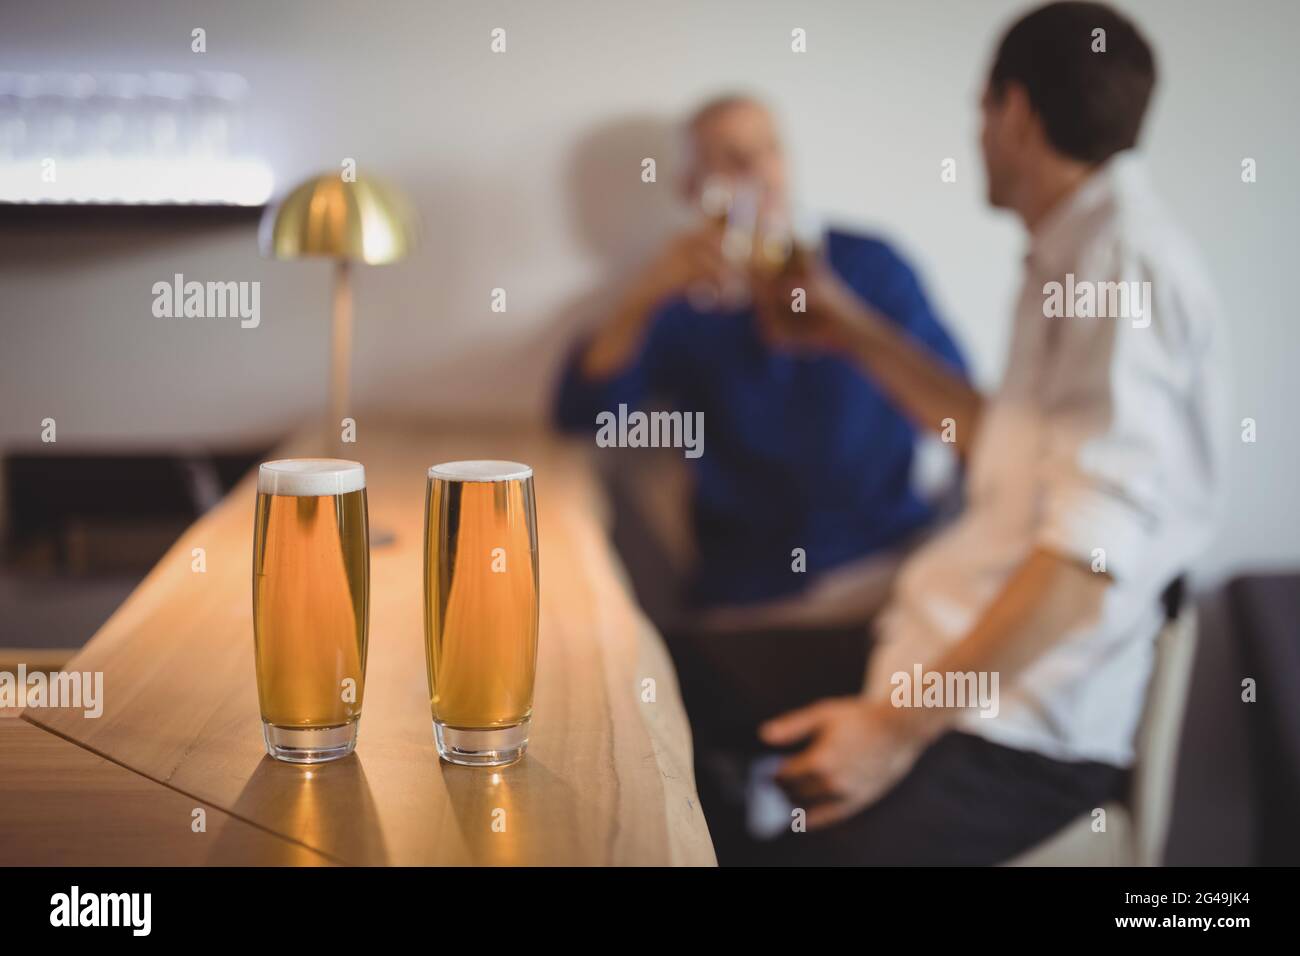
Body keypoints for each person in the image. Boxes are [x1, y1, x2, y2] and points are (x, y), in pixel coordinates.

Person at [741, 0, 1226, 865]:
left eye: (981, 109)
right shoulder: (1074, 250)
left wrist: (889, 730)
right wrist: (850, 330)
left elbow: (1082, 574)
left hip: (1012, 734)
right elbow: (997, 436)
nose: (977, 134)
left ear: (1018, 113)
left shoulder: (1117, 270)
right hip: (938, 657)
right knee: (674, 687)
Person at [554, 95, 968, 626]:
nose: (754, 169)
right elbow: (582, 413)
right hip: (752, 597)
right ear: (692, 188)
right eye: (729, 157)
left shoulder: (868, 268)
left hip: (886, 572)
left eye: (767, 148)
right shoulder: (685, 299)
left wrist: (850, 325)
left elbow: (960, 409)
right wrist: (646, 292)